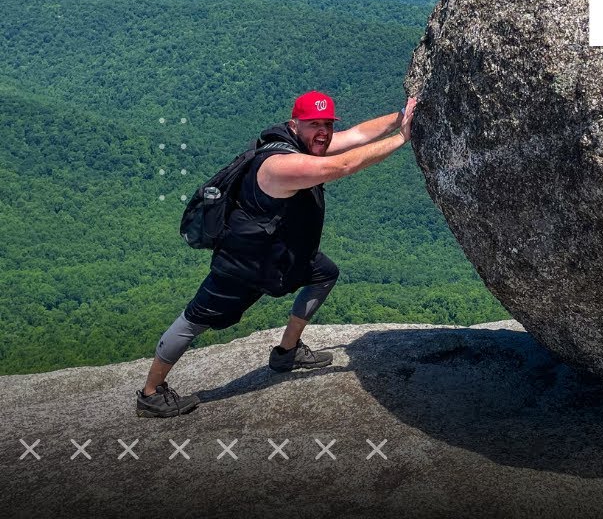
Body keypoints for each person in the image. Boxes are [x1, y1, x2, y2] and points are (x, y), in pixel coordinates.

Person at [135, 90, 417, 418]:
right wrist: (402, 137)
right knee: (194, 320)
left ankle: (287, 352)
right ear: (294, 125)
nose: (323, 132)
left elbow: (354, 136)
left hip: (282, 257)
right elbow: (343, 164)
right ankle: (150, 394)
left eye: (327, 124)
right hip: (244, 265)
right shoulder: (281, 164)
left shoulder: (302, 143)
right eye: (315, 124)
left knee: (325, 273)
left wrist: (404, 114)